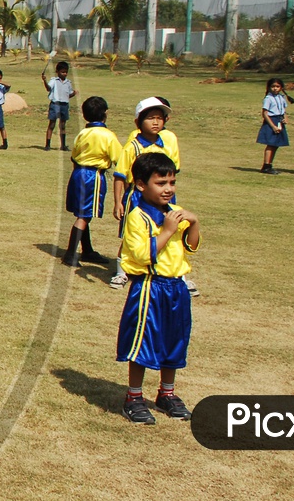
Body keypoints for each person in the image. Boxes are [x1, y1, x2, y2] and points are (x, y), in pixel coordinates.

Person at [115, 151, 200, 425]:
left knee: (174, 340)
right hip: (150, 288)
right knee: (142, 344)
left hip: (176, 288)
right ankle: (134, 397)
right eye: (161, 183)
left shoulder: (174, 212)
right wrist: (165, 230)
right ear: (141, 184)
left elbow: (191, 245)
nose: (168, 189)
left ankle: (167, 392)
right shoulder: (138, 217)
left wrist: (194, 222)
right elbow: (141, 256)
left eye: (172, 183)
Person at [110, 97, 182, 289]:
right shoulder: (132, 147)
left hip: (161, 199)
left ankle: (170, 270)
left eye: (160, 118)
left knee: (164, 231)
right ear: (138, 122)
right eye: (151, 118)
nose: (156, 122)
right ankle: (121, 272)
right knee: (130, 233)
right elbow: (120, 176)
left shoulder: (165, 147)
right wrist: (118, 202)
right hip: (136, 197)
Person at [63, 96, 118, 267]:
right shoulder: (107, 135)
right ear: (105, 114)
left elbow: (74, 156)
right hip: (92, 175)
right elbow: (120, 159)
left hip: (78, 173)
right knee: (85, 215)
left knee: (82, 213)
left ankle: (87, 250)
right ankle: (71, 254)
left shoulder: (83, 133)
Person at [256, 77, 292, 174]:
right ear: (269, 87)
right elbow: (265, 113)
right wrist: (273, 126)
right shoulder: (268, 98)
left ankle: (270, 164)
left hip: (279, 120)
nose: (275, 88)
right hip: (272, 121)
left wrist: (285, 118)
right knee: (270, 144)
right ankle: (266, 166)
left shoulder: (281, 98)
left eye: (277, 86)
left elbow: (283, 111)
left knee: (276, 145)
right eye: (273, 86)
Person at [42, 61, 75, 151]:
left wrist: (74, 93)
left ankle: (63, 145)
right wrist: (44, 80)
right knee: (52, 124)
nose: (64, 74)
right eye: (62, 72)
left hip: (64, 105)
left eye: (66, 72)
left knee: (63, 125)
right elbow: (48, 88)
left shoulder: (68, 83)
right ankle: (47, 144)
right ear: (57, 72)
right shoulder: (54, 81)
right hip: (55, 105)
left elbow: (69, 94)